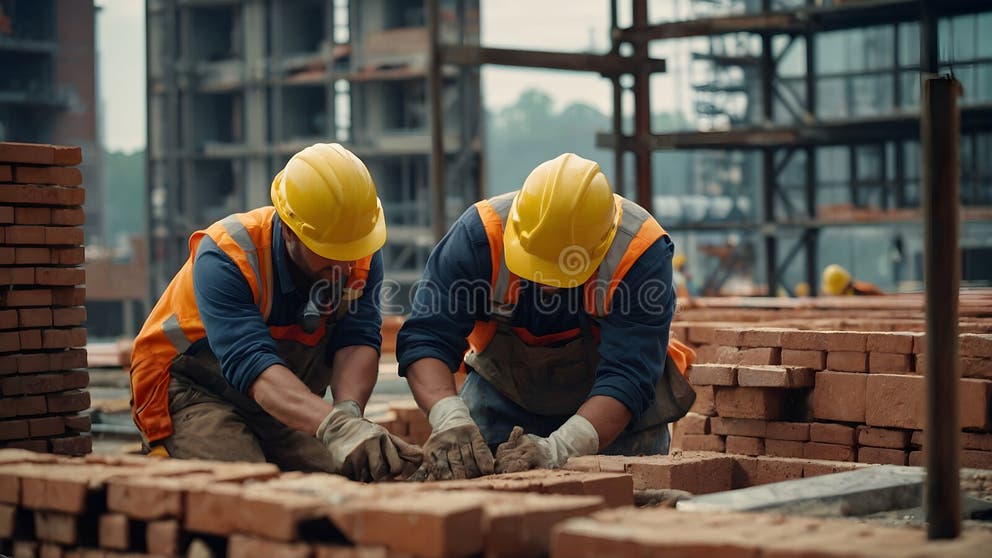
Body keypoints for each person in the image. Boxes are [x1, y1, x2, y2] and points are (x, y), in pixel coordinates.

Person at [129, 143, 421, 482]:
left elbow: (357, 341)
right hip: (190, 390)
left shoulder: (358, 248)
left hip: (276, 400)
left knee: (351, 477)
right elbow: (252, 363)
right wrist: (333, 426)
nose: (345, 263)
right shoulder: (228, 254)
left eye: (352, 249)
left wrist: (347, 416)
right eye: (330, 252)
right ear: (292, 231)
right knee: (250, 489)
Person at [396, 153, 695, 480]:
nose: (545, 287)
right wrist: (449, 416)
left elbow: (629, 374)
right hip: (503, 395)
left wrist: (560, 448)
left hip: (614, 411)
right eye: (534, 268)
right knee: (466, 480)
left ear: (598, 248)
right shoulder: (480, 237)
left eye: (559, 277)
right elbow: (427, 338)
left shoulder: (639, 251)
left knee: (632, 495)